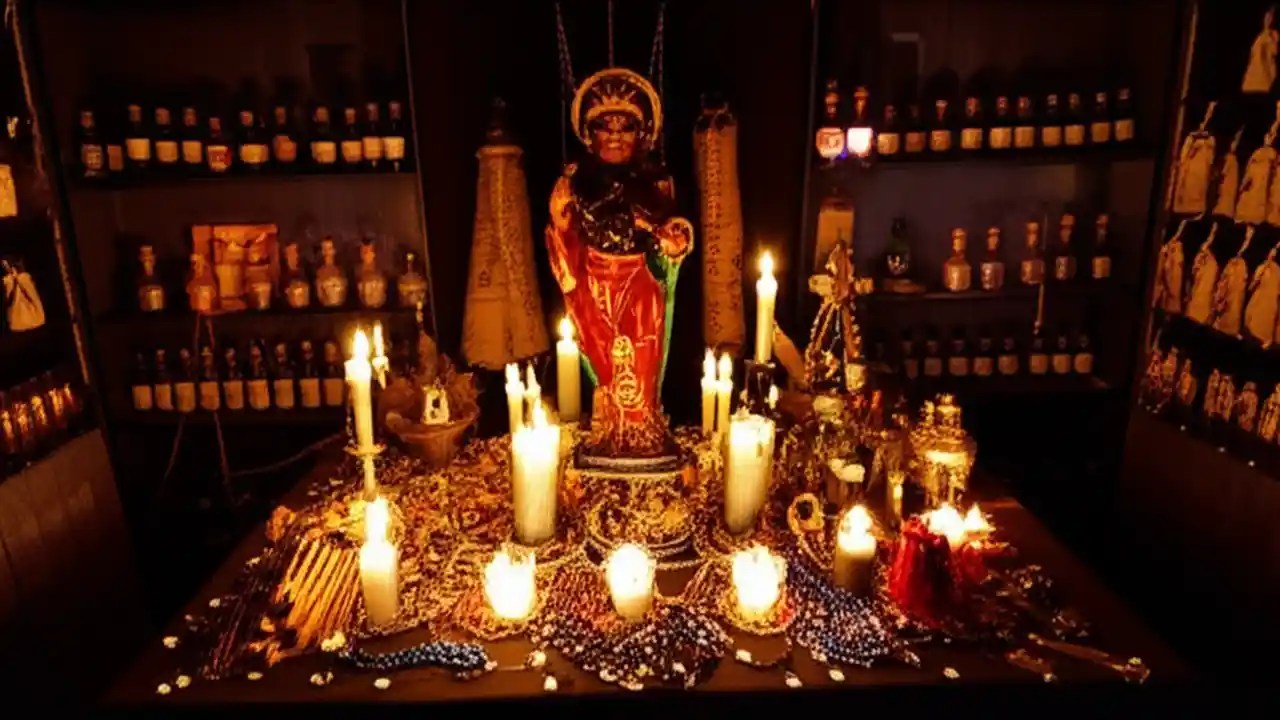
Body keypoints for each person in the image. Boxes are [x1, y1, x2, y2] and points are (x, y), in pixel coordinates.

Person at [546, 68, 692, 460]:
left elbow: (672, 231)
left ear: (640, 135)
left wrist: (673, 241)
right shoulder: (576, 182)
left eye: (624, 127)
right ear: (589, 135)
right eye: (603, 126)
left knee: (639, 356)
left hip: (636, 280)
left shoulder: (654, 181)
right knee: (605, 360)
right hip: (594, 279)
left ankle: (641, 432)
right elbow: (564, 235)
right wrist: (561, 222)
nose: (613, 135)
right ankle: (612, 430)